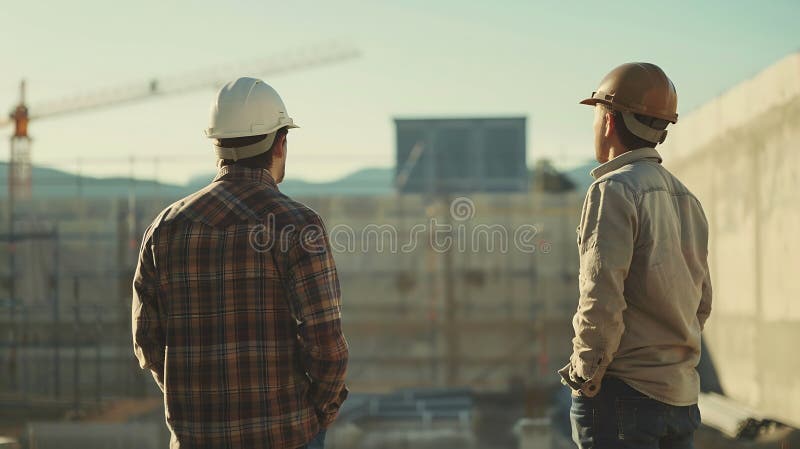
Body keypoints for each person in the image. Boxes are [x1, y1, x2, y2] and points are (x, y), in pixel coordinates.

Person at [132, 77, 348, 449]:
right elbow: (327, 344)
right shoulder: (297, 225)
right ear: (280, 143)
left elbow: (147, 342)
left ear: (217, 143)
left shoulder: (164, 228)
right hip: (285, 436)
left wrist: (195, 405)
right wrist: (317, 414)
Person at [559, 63, 712, 449]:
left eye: (595, 115)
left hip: (622, 398)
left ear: (609, 120)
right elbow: (702, 300)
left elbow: (601, 295)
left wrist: (585, 376)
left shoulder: (612, 190)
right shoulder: (686, 198)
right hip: (680, 398)